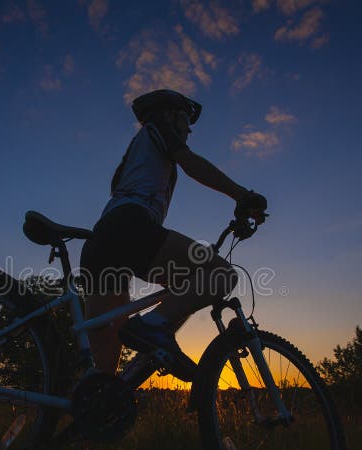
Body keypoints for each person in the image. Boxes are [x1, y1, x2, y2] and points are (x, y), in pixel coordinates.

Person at [80, 89, 267, 379]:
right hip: (131, 226)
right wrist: (243, 196)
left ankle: (103, 402)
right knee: (221, 274)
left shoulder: (135, 154)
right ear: (169, 114)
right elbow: (190, 162)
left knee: (104, 380)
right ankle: (152, 330)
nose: (189, 129)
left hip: (102, 241)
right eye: (185, 119)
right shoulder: (158, 128)